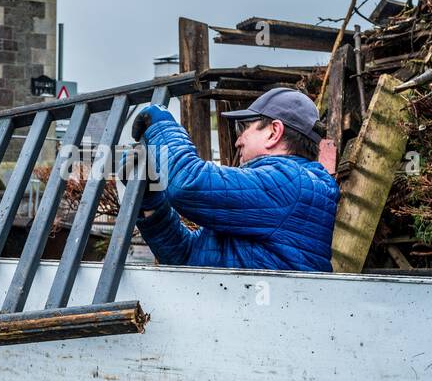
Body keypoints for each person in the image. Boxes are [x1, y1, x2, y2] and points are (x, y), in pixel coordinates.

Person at [129, 87, 339, 272]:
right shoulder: (277, 190)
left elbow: (188, 183)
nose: (237, 141)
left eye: (243, 128)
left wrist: (161, 126)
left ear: (274, 133)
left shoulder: (289, 183)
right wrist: (151, 201)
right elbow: (186, 257)